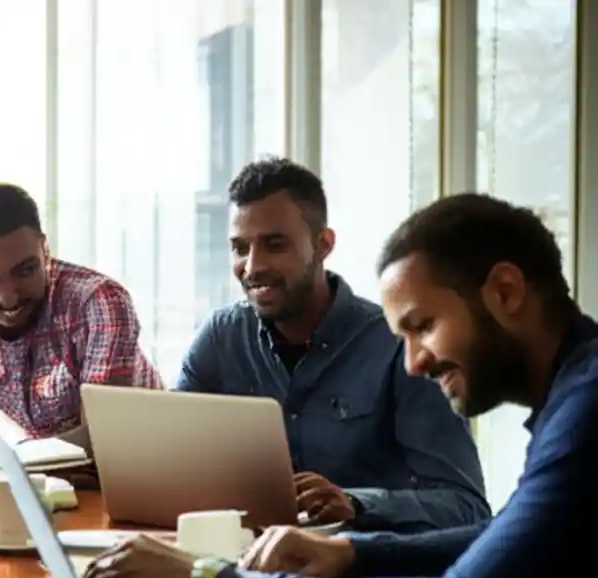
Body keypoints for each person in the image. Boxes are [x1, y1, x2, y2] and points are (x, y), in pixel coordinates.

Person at [83, 193, 598, 578]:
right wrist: (351, 553)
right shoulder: (585, 383)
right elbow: (508, 538)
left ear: (505, 292)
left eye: (424, 326)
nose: (414, 363)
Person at [177, 158, 487, 532]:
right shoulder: (220, 339)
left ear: (323, 245)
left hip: (361, 574)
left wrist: (356, 504)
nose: (252, 267)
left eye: (274, 245)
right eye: (240, 248)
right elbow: (172, 461)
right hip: (243, 565)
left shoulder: (400, 348)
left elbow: (466, 507)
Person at [0, 182, 162, 441]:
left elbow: (103, 438)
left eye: (25, 271)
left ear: (45, 249)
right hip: (47, 474)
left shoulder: (98, 302)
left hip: (146, 461)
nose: (8, 298)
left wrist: (14, 460)